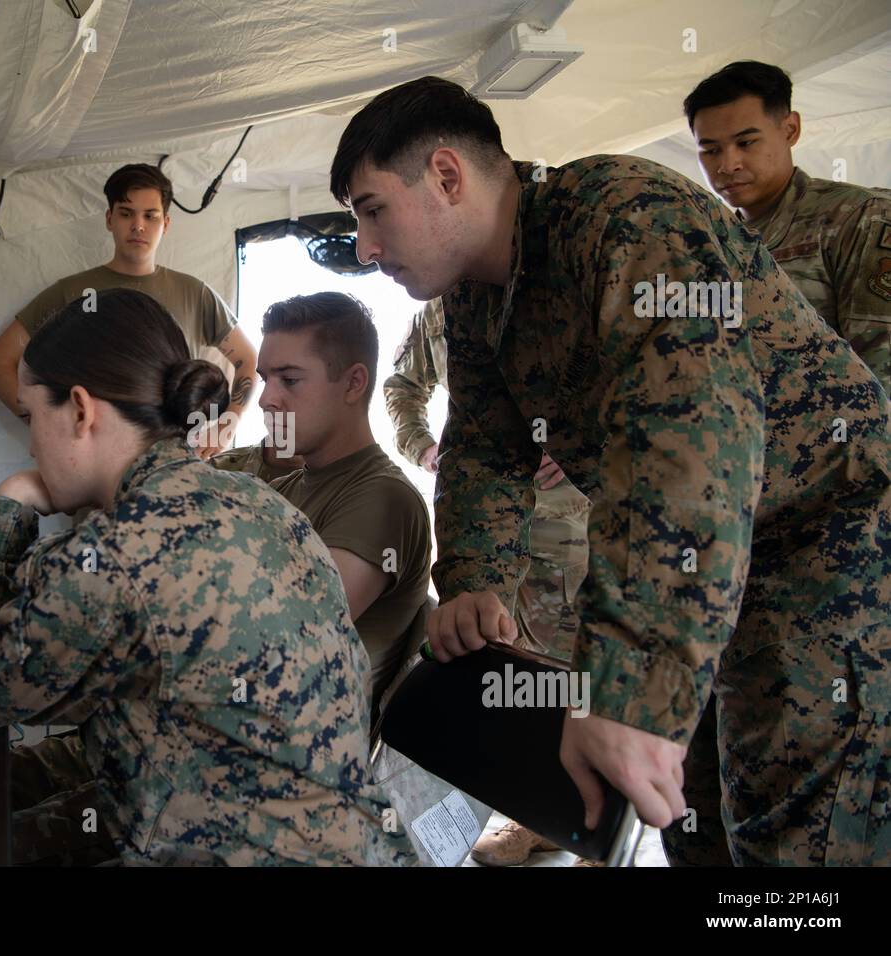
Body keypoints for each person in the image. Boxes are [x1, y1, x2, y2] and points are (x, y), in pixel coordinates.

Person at [331, 75, 891, 866]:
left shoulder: (626, 216)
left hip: (830, 545)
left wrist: (628, 687)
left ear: (446, 177)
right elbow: (486, 445)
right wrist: (474, 579)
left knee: (800, 827)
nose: (366, 247)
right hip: (716, 572)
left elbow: (688, 439)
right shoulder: (480, 297)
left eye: (372, 210)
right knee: (687, 811)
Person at [0, 288, 413, 866]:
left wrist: (7, 508)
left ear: (82, 410)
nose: (32, 442)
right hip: (353, 849)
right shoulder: (261, 503)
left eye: (30, 416)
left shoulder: (117, 552)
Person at [384, 297, 592, 865]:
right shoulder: (446, 310)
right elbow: (402, 384)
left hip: (580, 529)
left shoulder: (579, 283)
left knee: (588, 676)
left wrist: (584, 452)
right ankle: (530, 816)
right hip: (488, 528)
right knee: (511, 667)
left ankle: (598, 831)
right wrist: (425, 447)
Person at [0, 163, 258, 457]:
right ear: (109, 219)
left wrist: (227, 424)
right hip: (92, 468)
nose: (138, 226)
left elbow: (248, 359)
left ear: (165, 223)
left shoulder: (195, 294)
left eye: (149, 216)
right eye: (126, 213)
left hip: (173, 462)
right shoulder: (72, 292)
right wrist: (46, 425)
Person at [255, 292, 432, 719]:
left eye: (290, 380)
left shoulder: (384, 498)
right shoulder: (284, 489)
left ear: (354, 383)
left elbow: (286, 631)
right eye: (264, 379)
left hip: (296, 756)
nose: (266, 399)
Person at [685, 61, 891, 392]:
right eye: (710, 150)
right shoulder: (712, 246)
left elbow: (882, 374)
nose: (727, 165)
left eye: (746, 143)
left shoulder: (859, 217)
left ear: (790, 130)